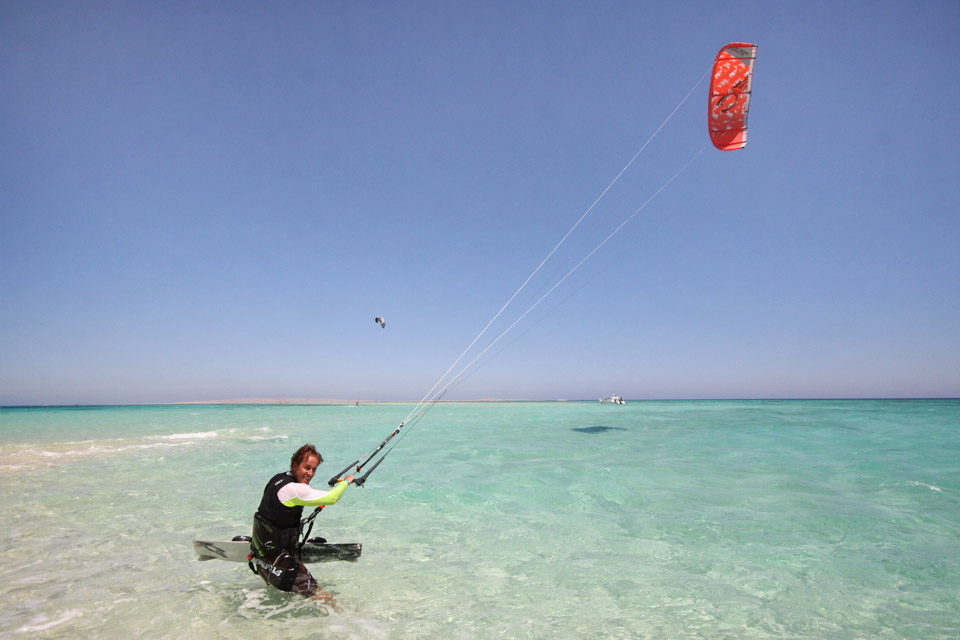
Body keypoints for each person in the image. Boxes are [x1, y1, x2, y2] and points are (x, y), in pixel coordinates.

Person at [250, 444, 354, 597]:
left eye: (314, 469)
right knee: (324, 596)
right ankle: (345, 618)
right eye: (307, 468)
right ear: (295, 465)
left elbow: (270, 514)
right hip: (279, 564)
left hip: (261, 558)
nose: (310, 473)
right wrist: (347, 481)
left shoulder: (277, 479)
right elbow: (332, 498)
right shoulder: (294, 489)